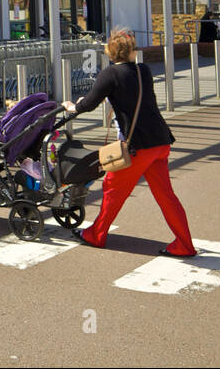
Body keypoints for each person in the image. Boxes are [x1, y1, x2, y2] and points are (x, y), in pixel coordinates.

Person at [62, 27, 197, 257]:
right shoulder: (143, 70)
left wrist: (72, 106)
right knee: (166, 196)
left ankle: (96, 234)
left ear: (110, 53)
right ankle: (184, 244)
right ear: (132, 51)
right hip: (160, 141)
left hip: (139, 147)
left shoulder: (110, 74)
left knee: (113, 189)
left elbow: (90, 103)